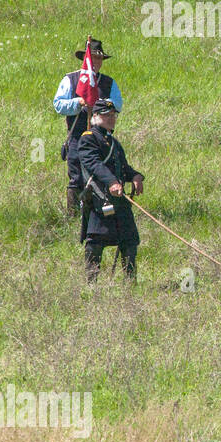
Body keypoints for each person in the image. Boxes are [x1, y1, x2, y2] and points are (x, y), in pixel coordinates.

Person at [76, 99, 143, 281]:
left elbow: (123, 167)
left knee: (129, 241)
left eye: (113, 115)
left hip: (119, 200)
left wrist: (136, 176)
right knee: (95, 243)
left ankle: (130, 284)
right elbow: (94, 164)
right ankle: (91, 285)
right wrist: (112, 181)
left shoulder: (113, 141)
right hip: (99, 199)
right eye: (107, 115)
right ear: (95, 117)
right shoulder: (88, 138)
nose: (111, 119)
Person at [54, 38, 123, 216]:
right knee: (76, 175)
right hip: (77, 136)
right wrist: (78, 102)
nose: (97, 62)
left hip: (102, 137)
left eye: (99, 59)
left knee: (102, 172)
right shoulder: (71, 79)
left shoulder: (108, 82)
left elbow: (118, 105)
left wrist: (99, 104)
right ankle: (74, 216)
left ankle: (98, 213)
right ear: (85, 59)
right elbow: (59, 105)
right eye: (93, 58)